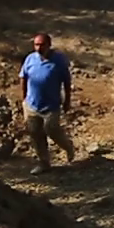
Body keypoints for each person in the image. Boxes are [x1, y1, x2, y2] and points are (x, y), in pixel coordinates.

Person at [19, 32, 76, 174]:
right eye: (36, 44)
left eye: (42, 45)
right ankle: (44, 162)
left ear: (49, 45)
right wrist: (24, 98)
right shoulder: (30, 59)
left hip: (51, 105)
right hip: (32, 104)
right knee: (35, 133)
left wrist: (67, 100)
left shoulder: (59, 60)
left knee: (52, 129)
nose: (39, 48)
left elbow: (66, 81)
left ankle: (68, 147)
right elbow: (23, 77)